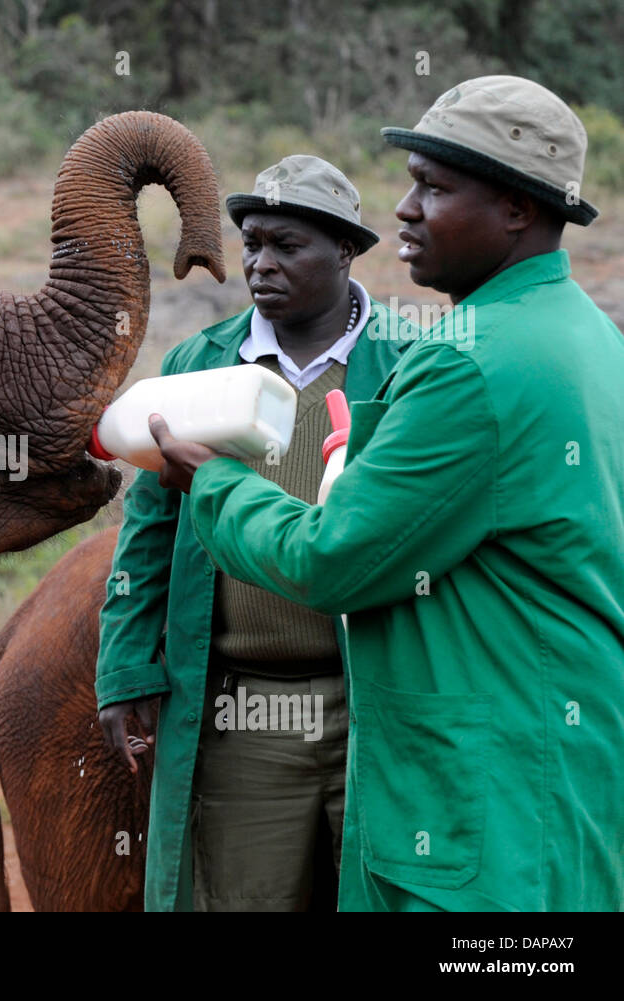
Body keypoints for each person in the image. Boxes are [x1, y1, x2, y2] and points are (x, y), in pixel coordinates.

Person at [152, 75, 624, 910]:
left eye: (434, 188)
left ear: (517, 208)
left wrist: (216, 484)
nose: (405, 210)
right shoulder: (588, 336)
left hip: (486, 797)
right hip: (563, 756)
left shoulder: (464, 362)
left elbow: (332, 558)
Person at [95, 155, 416, 911]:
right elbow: (148, 529)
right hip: (243, 708)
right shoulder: (201, 364)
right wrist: (126, 669)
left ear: (345, 249)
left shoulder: (407, 366)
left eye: (287, 246)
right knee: (242, 895)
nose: (260, 265)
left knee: (383, 890)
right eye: (251, 243)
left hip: (374, 699)